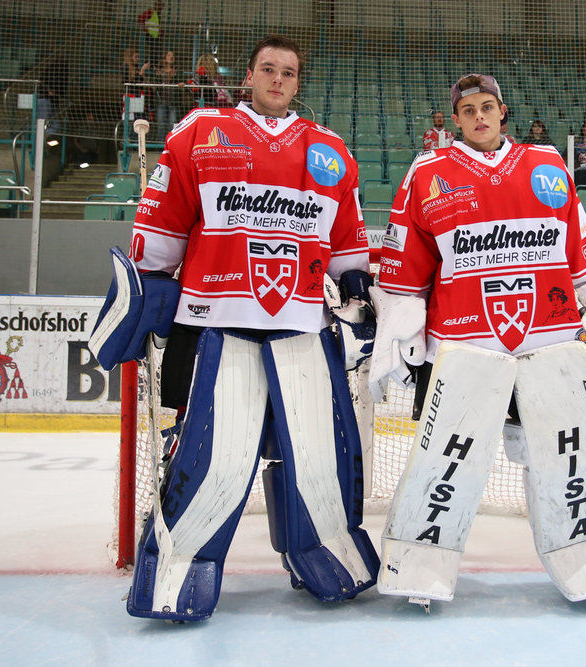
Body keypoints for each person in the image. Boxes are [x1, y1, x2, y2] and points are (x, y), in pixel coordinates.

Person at [91, 34, 380, 622]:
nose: (278, 80)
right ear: (248, 77)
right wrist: (146, 284)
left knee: (322, 457)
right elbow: (164, 222)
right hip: (216, 325)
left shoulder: (329, 150)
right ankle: (178, 574)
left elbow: (347, 238)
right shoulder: (202, 130)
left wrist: (356, 286)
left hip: (303, 324)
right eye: (268, 70)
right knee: (216, 461)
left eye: (289, 72)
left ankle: (323, 554)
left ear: (299, 82)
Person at [368, 73, 586, 611]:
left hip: (553, 338)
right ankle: (419, 564)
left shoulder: (548, 166)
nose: (479, 117)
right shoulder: (428, 173)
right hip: (464, 344)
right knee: (448, 458)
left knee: (566, 454)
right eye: (468, 110)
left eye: (487, 107)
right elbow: (406, 268)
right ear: (456, 119)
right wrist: (399, 333)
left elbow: (578, 244)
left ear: (502, 111)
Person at [142, 50, 181, 137]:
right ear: (165, 57)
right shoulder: (159, 71)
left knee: (172, 123)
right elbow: (153, 83)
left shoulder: (177, 71)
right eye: (169, 55)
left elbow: (181, 82)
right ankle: (161, 145)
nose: (171, 57)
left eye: (173, 55)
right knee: (161, 124)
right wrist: (157, 76)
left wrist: (174, 77)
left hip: (173, 102)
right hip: (161, 102)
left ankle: (171, 144)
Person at [136, 0, 165, 66]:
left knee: (156, 52)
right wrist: (145, 28)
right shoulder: (150, 12)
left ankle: (153, 66)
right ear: (155, 5)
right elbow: (140, 18)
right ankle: (151, 66)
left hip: (155, 37)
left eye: (161, 6)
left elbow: (156, 26)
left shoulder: (158, 15)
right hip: (150, 35)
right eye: (159, 5)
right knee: (153, 52)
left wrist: (160, 32)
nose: (160, 7)